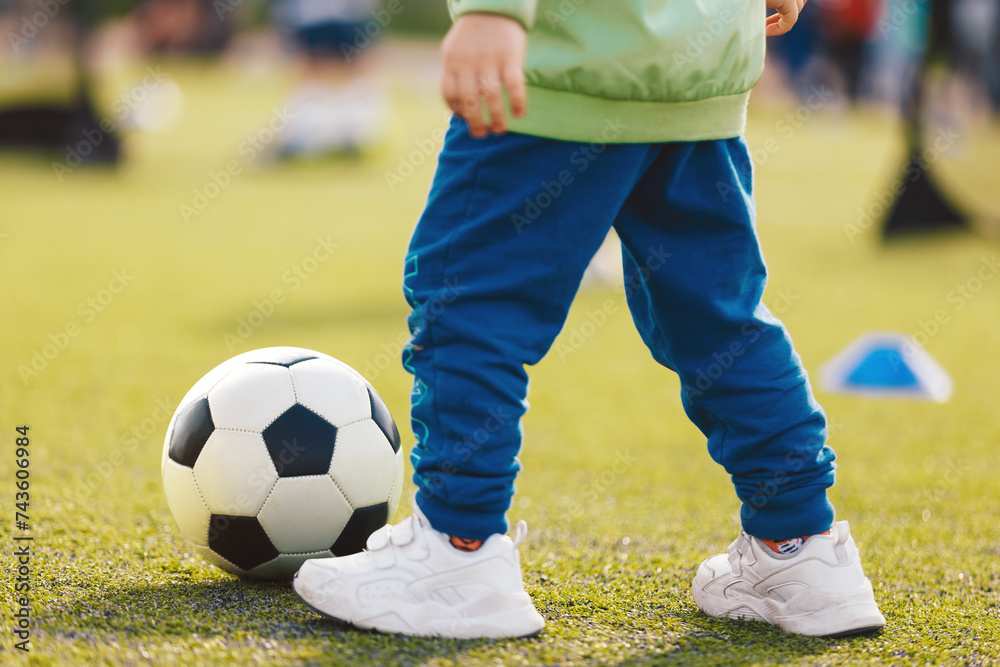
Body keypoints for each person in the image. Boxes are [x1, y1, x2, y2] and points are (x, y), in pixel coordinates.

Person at [293, 0, 887, 639]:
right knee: (718, 319)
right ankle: (800, 545)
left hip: (570, 62)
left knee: (469, 299)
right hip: (697, 73)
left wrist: (492, 11)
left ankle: (456, 548)